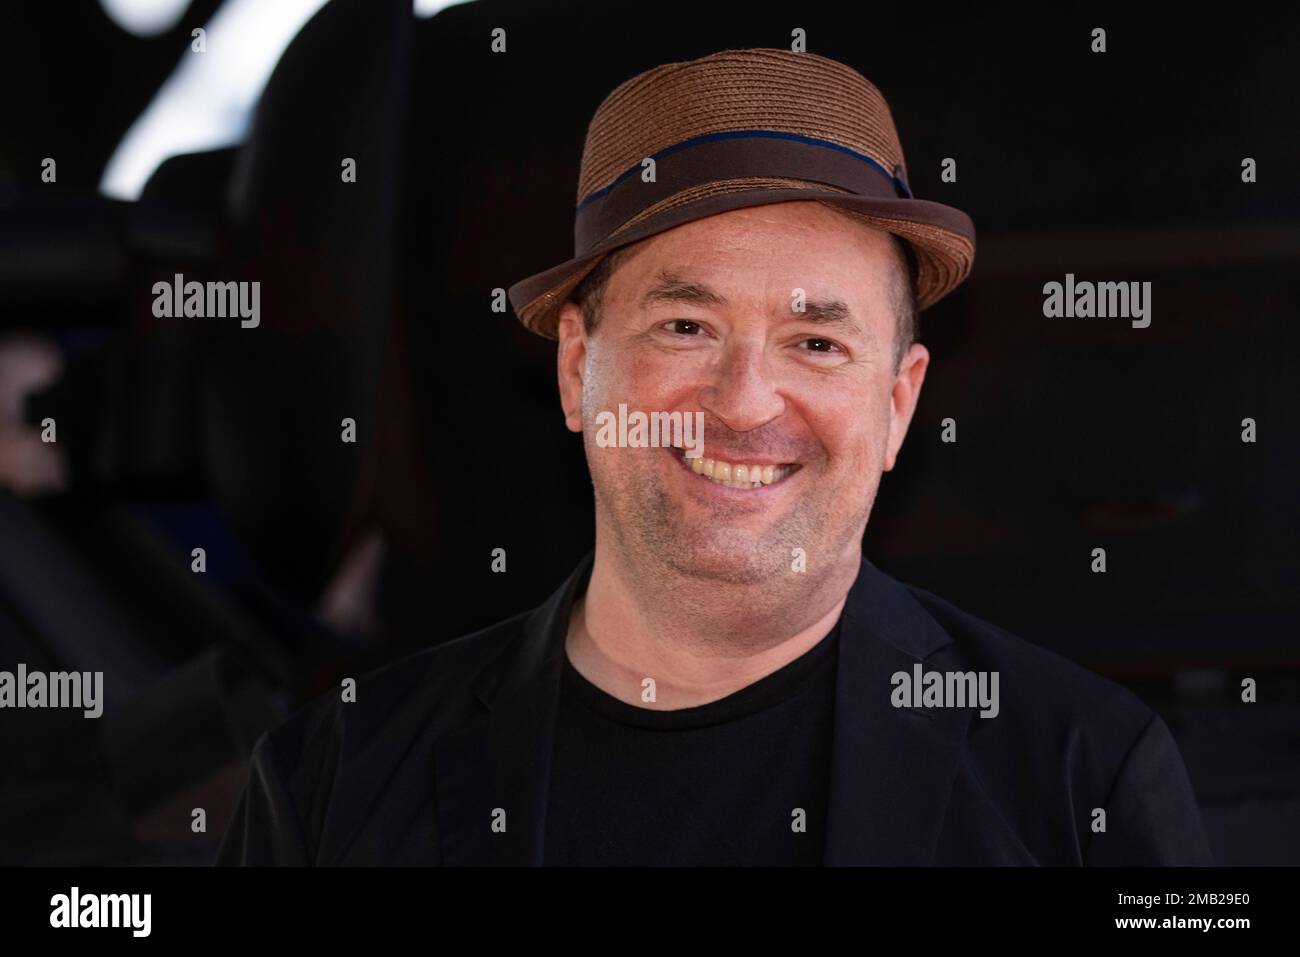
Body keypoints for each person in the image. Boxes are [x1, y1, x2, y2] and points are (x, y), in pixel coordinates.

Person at [216, 47, 1212, 866]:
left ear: (899, 402)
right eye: (686, 326)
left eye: (816, 343)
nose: (741, 403)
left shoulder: (1083, 779)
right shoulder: (330, 780)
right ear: (576, 369)